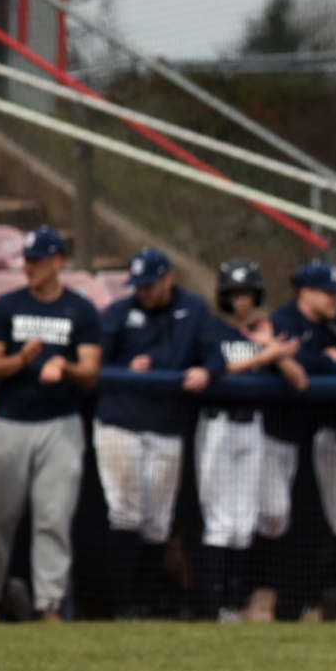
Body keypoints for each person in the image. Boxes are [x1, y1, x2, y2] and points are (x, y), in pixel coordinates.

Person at [0, 226, 101, 622]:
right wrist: (24, 359)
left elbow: (91, 370)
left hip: (60, 423)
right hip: (12, 419)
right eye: (27, 261)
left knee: (53, 518)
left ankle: (49, 605)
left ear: (57, 263)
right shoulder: (7, 306)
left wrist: (64, 367)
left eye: (38, 261)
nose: (30, 268)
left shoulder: (79, 310)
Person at [93, 248, 219, 619]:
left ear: (168, 279)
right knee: (126, 511)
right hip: (121, 420)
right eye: (138, 286)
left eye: (149, 285)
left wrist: (208, 372)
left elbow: (215, 354)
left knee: (157, 519)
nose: (142, 292)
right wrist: (125, 367)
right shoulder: (120, 313)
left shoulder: (192, 310)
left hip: (166, 424)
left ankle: (147, 603)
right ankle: (123, 605)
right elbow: (95, 361)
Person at [194, 258, 305, 622]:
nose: (242, 301)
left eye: (248, 294)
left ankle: (233, 603)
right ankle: (212, 606)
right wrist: (265, 354)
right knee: (219, 519)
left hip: (253, 426)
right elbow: (211, 371)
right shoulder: (212, 330)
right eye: (234, 294)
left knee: (244, 521)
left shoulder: (259, 333)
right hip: (218, 425)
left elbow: (299, 380)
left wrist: (269, 344)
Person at [266, 259, 336, 621]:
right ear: (305, 291)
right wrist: (327, 360)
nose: (334, 300)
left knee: (321, 528)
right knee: (278, 521)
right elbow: (306, 370)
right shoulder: (284, 320)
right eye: (327, 293)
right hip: (281, 435)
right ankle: (282, 605)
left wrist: (320, 362)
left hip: (320, 438)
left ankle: (318, 603)